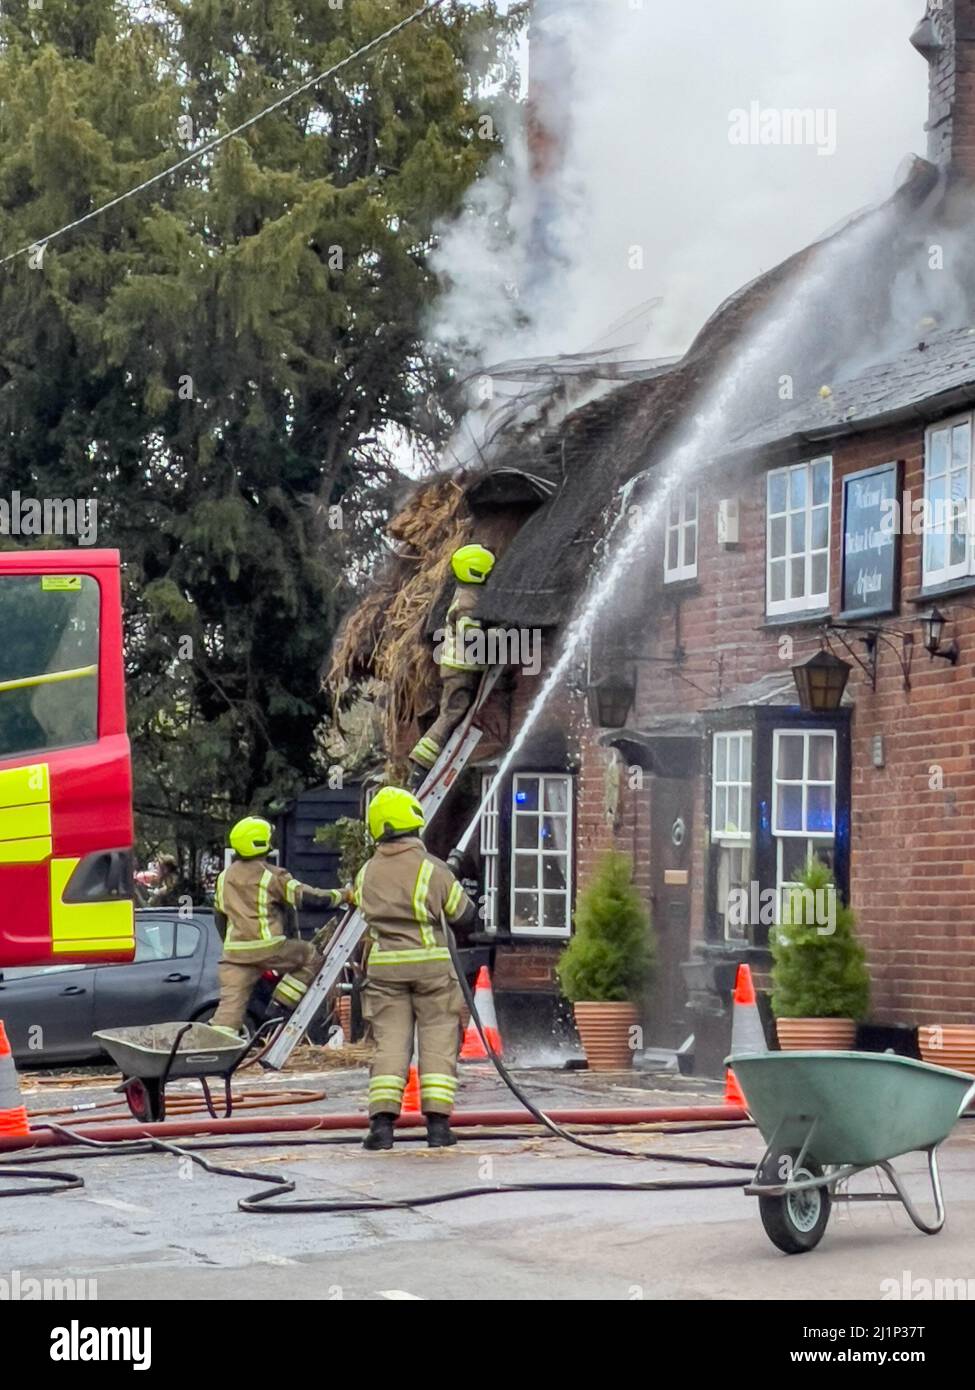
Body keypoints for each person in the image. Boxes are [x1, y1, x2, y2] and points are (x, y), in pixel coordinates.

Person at [355, 786, 476, 1150]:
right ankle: (438, 1129)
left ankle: (381, 1127)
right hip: (433, 973)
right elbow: (464, 916)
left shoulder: (367, 872)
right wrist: (449, 880)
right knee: (438, 1041)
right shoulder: (432, 870)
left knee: (391, 1044)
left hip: (384, 974)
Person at [210, 816, 351, 1040]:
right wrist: (344, 895)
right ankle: (280, 1005)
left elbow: (219, 916)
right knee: (311, 956)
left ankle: (214, 1053)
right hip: (270, 948)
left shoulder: (223, 877)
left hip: (234, 955)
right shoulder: (272, 876)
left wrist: (231, 946)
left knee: (228, 1013)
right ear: (262, 843)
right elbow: (310, 897)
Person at [408, 543, 496, 789]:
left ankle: (422, 765)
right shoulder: (467, 603)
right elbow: (473, 641)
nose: (491, 577)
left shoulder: (467, 595)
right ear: (477, 572)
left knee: (453, 713)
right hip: (461, 670)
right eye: (488, 572)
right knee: (452, 714)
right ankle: (421, 766)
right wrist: (502, 634)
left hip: (460, 668)